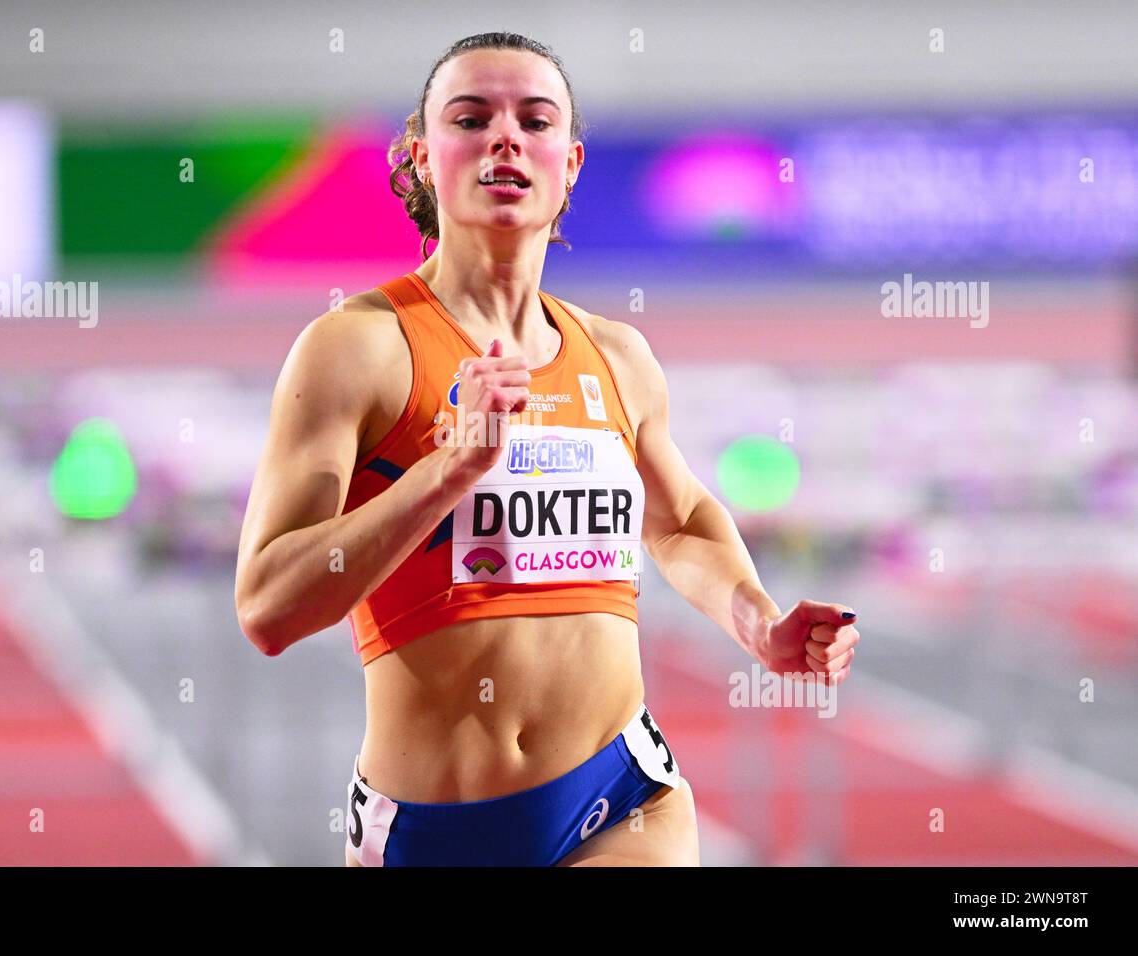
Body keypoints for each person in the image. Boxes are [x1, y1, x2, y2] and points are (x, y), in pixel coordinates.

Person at [234, 32, 860, 866]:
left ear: (568, 164)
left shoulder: (618, 356)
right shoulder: (356, 347)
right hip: (430, 829)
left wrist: (760, 622)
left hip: (621, 795)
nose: (505, 138)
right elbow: (270, 608)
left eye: (535, 120)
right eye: (471, 117)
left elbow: (678, 523)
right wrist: (443, 473)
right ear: (422, 157)